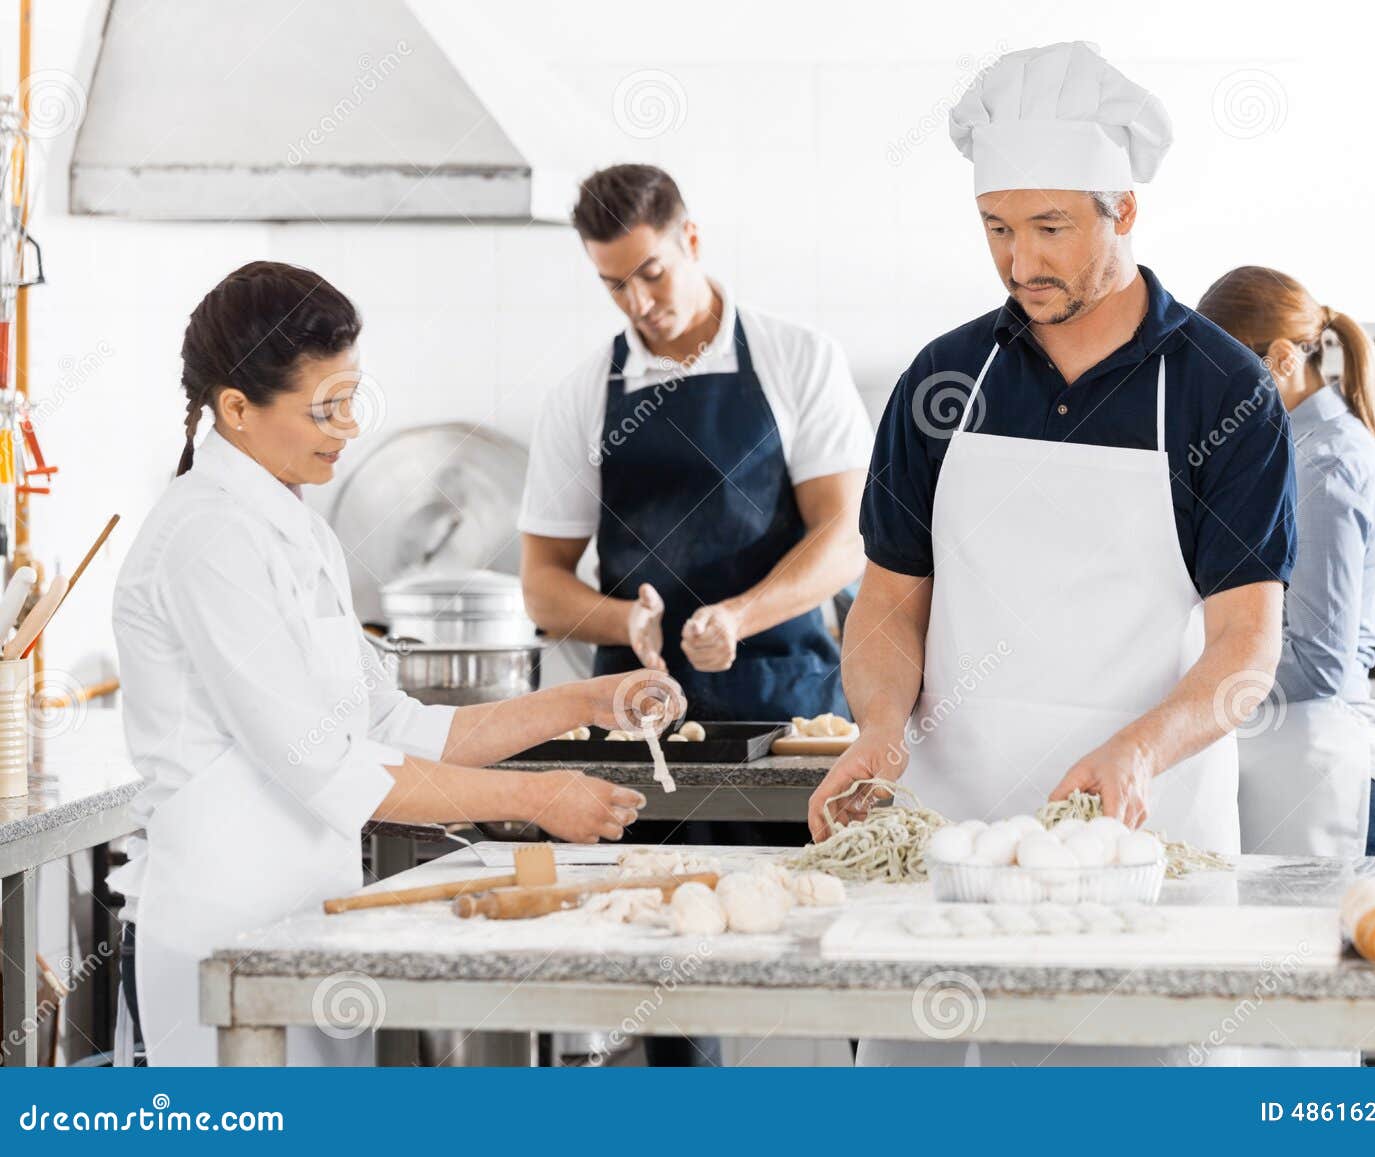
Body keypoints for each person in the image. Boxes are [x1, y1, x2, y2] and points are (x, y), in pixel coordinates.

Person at [807, 42, 1297, 1065]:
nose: (1020, 260)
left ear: (1124, 211)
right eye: (996, 227)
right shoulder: (941, 381)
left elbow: (1245, 650)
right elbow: (889, 602)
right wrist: (880, 728)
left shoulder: (1221, 393)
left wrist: (1137, 750)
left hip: (1140, 858)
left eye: (1050, 227)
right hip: (948, 857)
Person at [110, 261, 681, 1067]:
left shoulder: (298, 527)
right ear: (236, 409)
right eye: (326, 407)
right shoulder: (207, 539)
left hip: (312, 927)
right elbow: (330, 768)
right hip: (223, 948)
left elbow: (393, 725)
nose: (348, 426)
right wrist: (538, 797)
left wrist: (584, 700)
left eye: (352, 399)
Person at [518, 165, 872, 727]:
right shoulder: (579, 395)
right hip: (637, 716)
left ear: (692, 240)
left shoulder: (799, 358)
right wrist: (626, 622)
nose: (638, 303)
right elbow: (542, 586)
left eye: (652, 274)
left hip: (785, 706)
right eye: (614, 285)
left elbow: (848, 533)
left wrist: (739, 616)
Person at [1198, 266, 1375, 857]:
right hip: (1298, 757)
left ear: (1280, 358)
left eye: (1222, 372)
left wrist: (1196, 688)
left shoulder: (1325, 465)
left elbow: (1318, 663)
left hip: (1328, 767)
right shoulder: (1293, 448)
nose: (1211, 394)